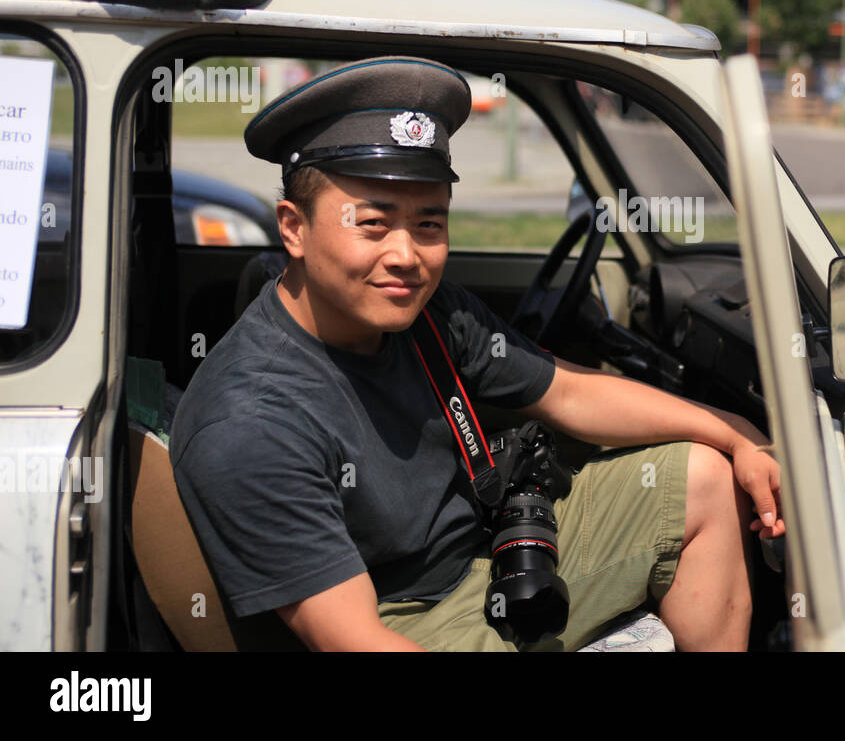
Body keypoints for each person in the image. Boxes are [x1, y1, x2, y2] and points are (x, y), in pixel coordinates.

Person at [169, 56, 785, 652]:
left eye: (429, 225)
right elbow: (352, 640)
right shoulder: (251, 423)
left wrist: (740, 437)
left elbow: (570, 392)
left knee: (704, 477)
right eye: (374, 224)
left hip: (482, 552)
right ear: (293, 227)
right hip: (403, 620)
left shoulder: (428, 315)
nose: (408, 256)